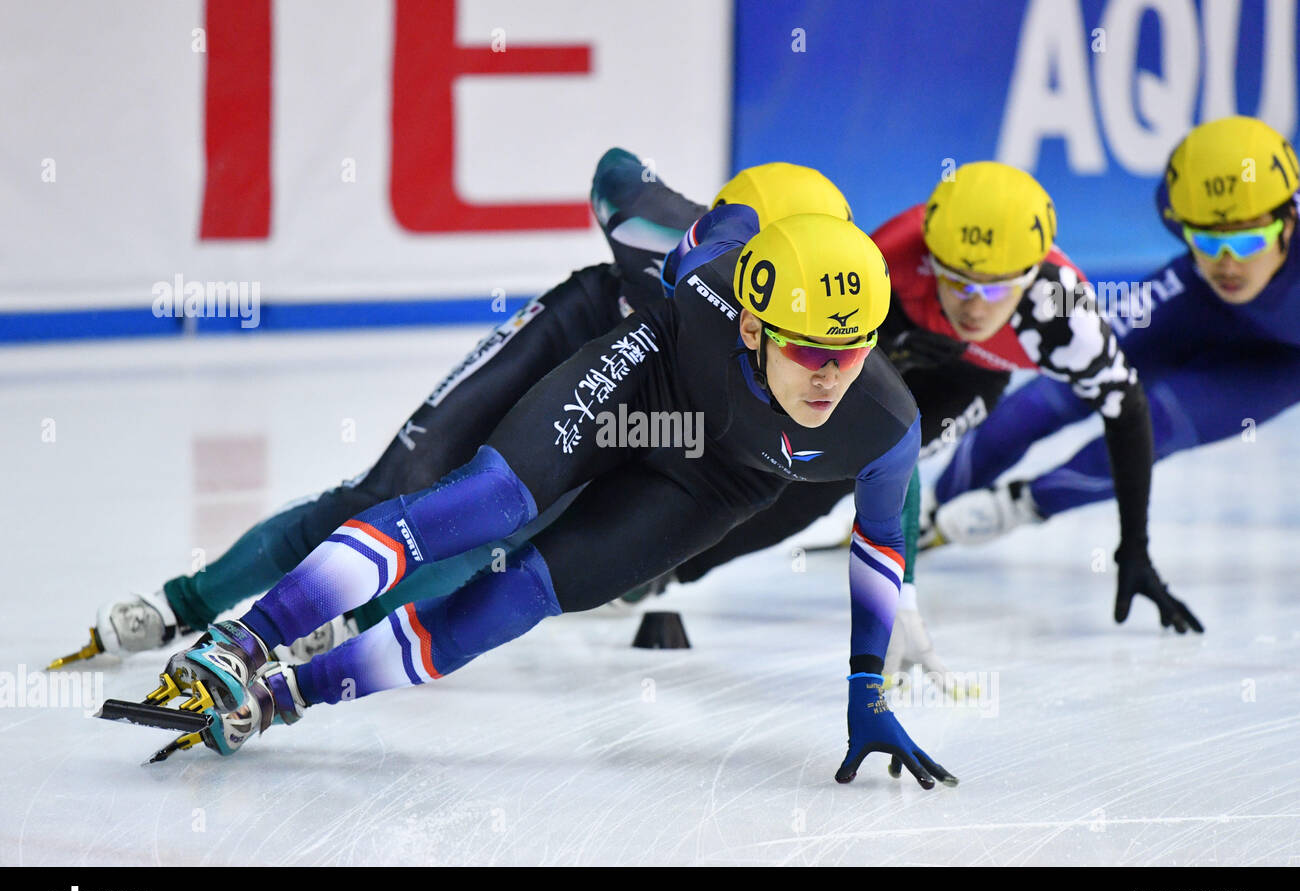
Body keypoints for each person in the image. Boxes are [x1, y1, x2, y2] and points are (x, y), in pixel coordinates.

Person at [134, 210, 957, 789]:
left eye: (850, 353)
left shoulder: (883, 425)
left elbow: (879, 543)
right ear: (751, 325)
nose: (830, 378)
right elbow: (634, 188)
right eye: (811, 349)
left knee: (507, 604)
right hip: (648, 382)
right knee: (488, 503)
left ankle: (284, 698)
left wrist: (865, 696)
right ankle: (244, 639)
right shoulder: (712, 279)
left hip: (716, 478)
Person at [53, 152, 850, 666]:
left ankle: (336, 623)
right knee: (397, 492)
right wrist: (666, 240)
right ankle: (181, 605)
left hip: (645, 407)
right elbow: (615, 171)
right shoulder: (674, 238)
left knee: (492, 543)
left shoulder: (815, 329)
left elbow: (880, 444)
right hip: (577, 338)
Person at [636, 161, 1201, 646]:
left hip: (970, 379)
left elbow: (1125, 409)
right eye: (957, 282)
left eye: (997, 289)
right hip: (878, 349)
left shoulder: (1065, 314)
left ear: (1033, 277)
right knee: (766, 450)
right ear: (932, 258)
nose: (974, 308)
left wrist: (1135, 546)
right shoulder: (890, 259)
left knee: (819, 488)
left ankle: (669, 568)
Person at [928, 116, 1299, 610]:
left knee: (1161, 419)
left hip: (1283, 362)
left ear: (1288, 222)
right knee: (1068, 383)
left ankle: (1017, 507)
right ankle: (934, 504)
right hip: (1197, 302)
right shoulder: (1199, 253)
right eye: (1207, 240)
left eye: (1246, 241)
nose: (1227, 263)